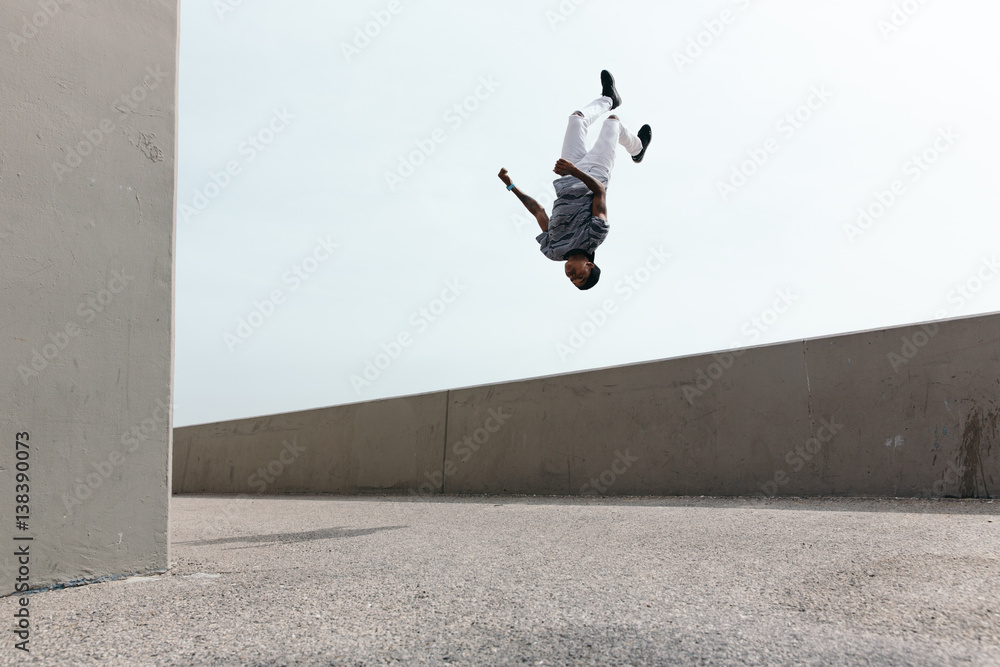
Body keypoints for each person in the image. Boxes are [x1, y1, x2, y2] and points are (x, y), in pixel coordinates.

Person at [498, 70, 651, 290]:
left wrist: (510, 185)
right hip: (594, 174)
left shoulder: (553, 250)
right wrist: (575, 171)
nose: (572, 275)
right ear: (589, 264)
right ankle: (637, 149)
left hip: (567, 176)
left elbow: (539, 211)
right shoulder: (594, 236)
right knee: (613, 123)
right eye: (579, 276)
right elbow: (600, 193)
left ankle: (609, 99)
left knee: (576, 119)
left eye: (571, 279)